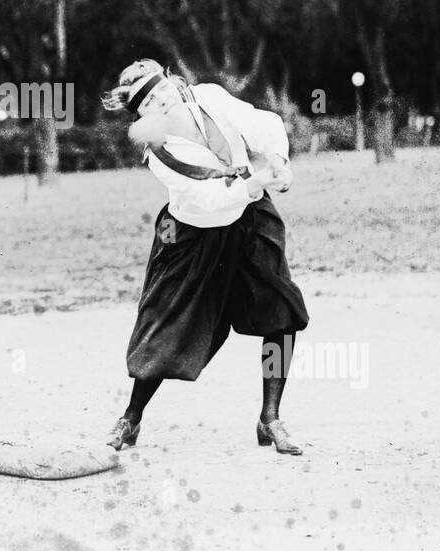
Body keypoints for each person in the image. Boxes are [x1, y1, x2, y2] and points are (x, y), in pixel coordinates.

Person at [101, 59, 311, 456]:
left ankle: (270, 418)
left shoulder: (210, 97)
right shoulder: (160, 153)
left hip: (250, 222)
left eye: (160, 88)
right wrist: (255, 182)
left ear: (172, 81)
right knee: (167, 327)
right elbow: (207, 200)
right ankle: (131, 418)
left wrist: (278, 162)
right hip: (194, 236)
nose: (160, 101)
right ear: (141, 117)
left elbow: (260, 124)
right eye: (146, 103)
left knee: (281, 311)